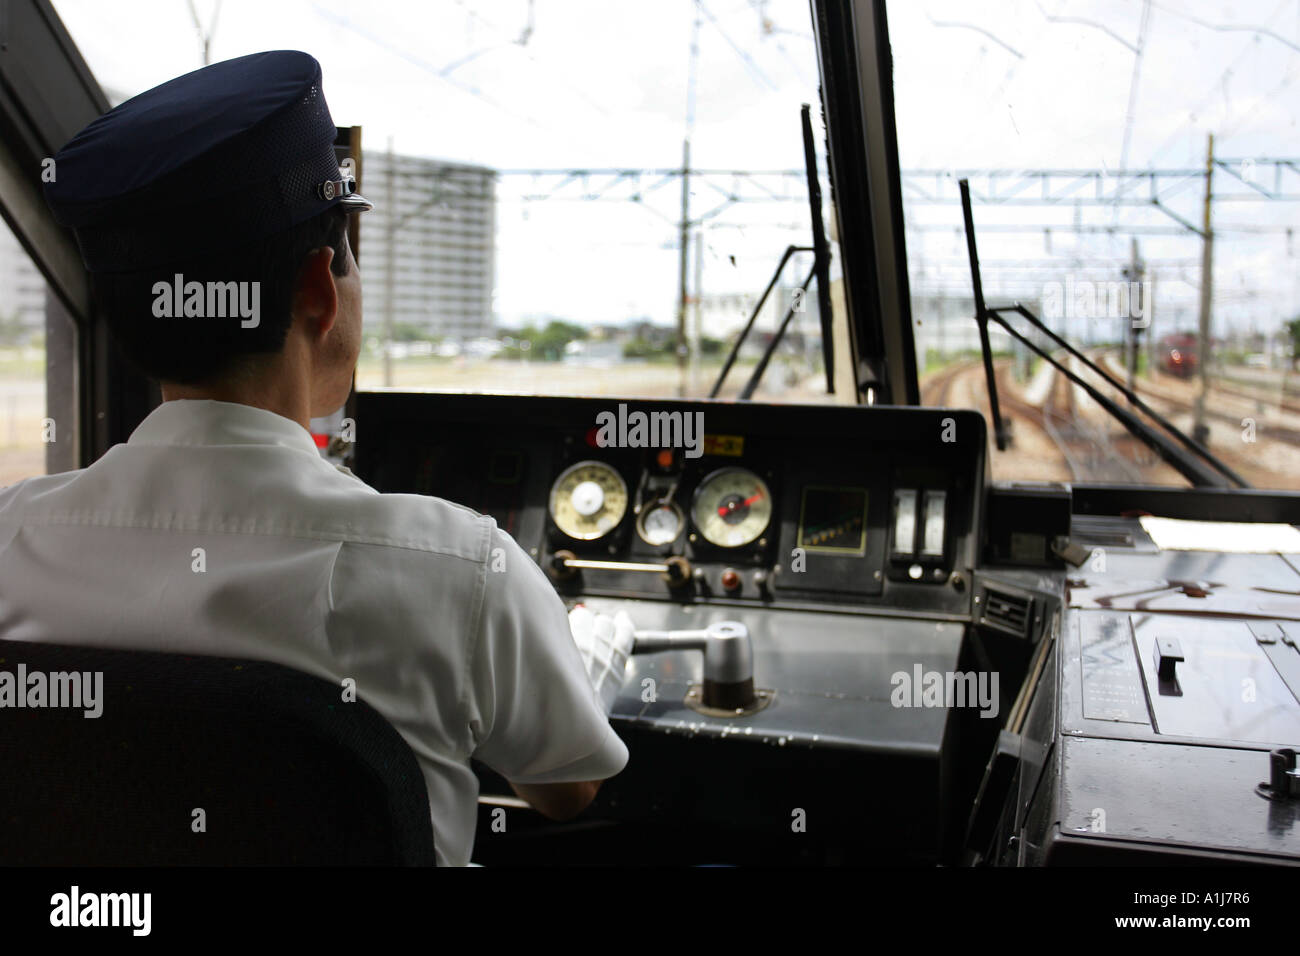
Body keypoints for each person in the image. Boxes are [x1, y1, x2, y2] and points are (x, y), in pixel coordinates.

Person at [0, 50, 632, 866]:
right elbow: (566, 787)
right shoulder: (460, 569)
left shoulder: (12, 539)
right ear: (318, 291)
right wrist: (592, 660)